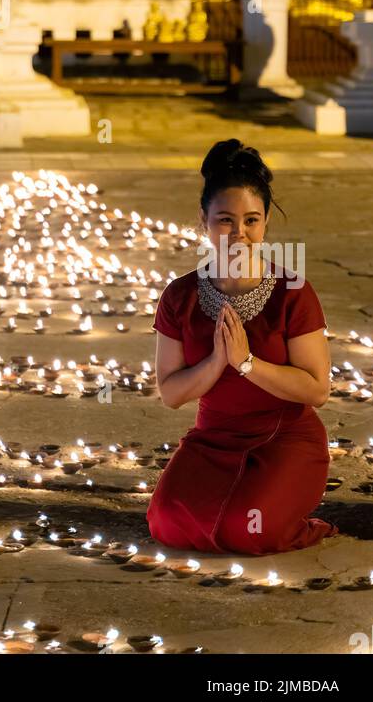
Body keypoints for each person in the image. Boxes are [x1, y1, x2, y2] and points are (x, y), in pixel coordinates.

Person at [146, 138, 340, 555]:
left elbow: (317, 390)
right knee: (166, 522)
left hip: (285, 440)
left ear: (266, 220)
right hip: (213, 439)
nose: (239, 234)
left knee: (248, 530)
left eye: (251, 220)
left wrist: (248, 363)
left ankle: (297, 520)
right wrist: (217, 362)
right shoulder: (180, 296)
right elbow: (171, 393)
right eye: (225, 220)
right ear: (203, 220)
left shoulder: (293, 291)